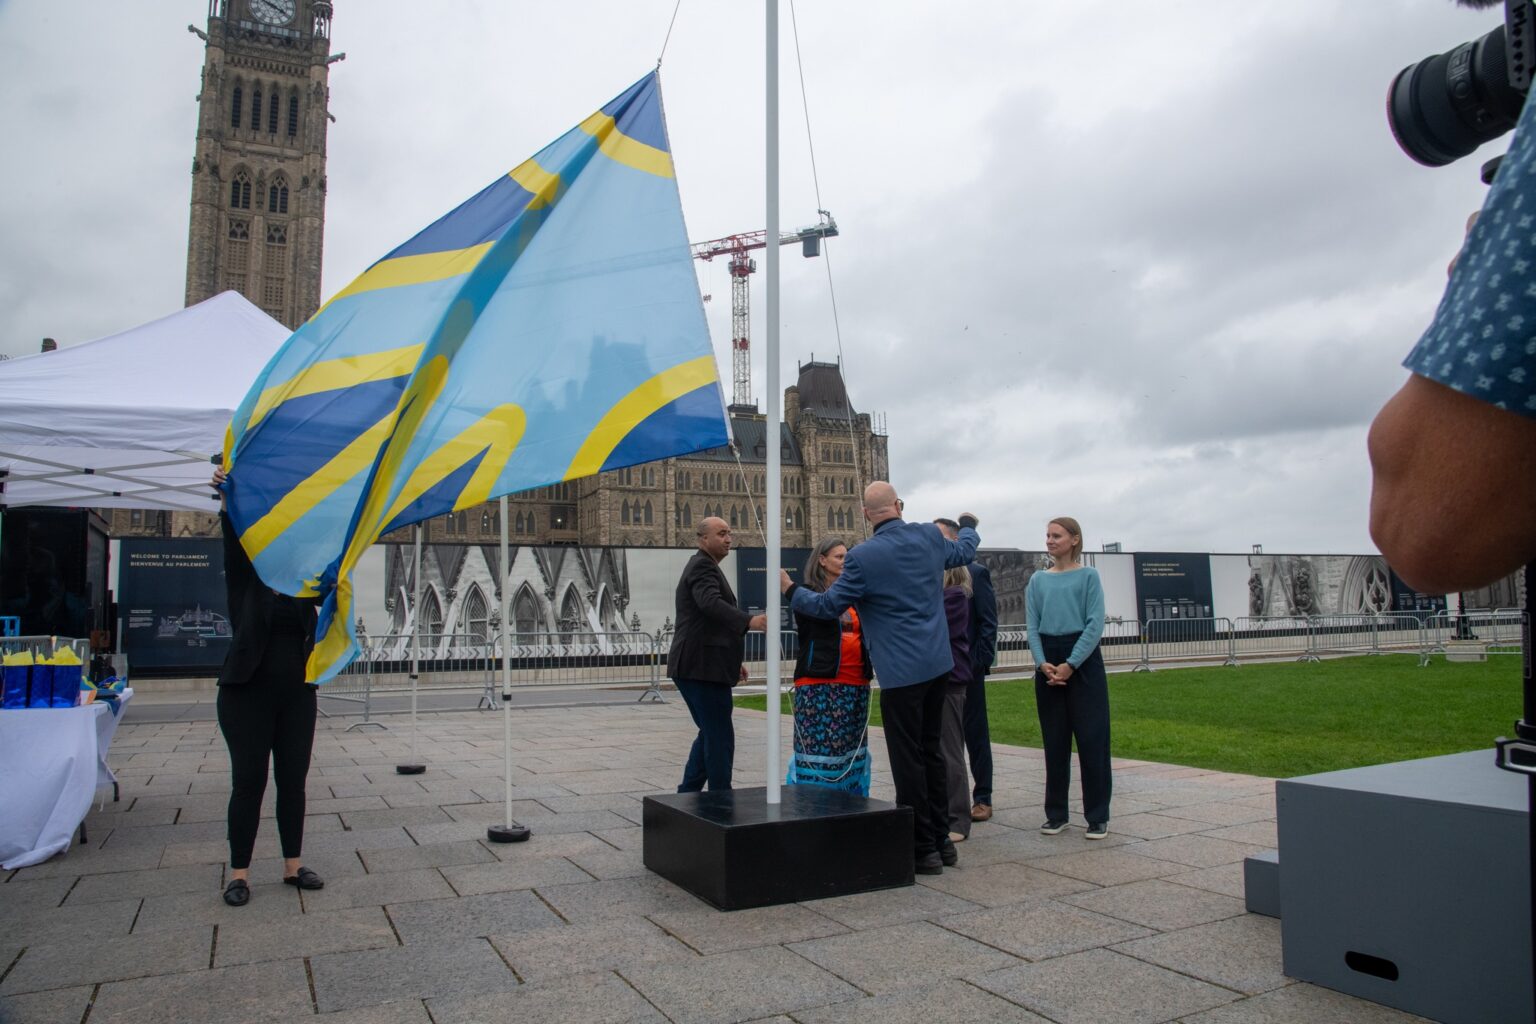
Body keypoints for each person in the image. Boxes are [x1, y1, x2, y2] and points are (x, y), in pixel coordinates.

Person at [780, 482, 978, 875]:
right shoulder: (928, 535)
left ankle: (923, 850)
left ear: (866, 514)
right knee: (932, 752)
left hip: (901, 674)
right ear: (899, 506)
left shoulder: (862, 557)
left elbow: (828, 606)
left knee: (909, 761)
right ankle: (941, 840)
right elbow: (966, 549)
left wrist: (791, 591)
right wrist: (970, 523)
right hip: (938, 666)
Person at [212, 464, 324, 907]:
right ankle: (239, 873)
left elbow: (335, 576)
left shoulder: (303, 588)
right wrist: (226, 498)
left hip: (297, 694)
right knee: (249, 782)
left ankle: (292, 866)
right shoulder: (247, 582)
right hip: (245, 692)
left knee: (293, 781)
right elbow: (231, 540)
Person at [666, 516, 768, 793]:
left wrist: (733, 662)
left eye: (729, 533)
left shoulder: (705, 565)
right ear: (703, 539)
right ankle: (721, 797)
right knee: (719, 735)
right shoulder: (701, 565)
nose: (728, 539)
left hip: (703, 665)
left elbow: (710, 621)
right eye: (721, 534)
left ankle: (688, 793)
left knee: (711, 732)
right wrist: (750, 621)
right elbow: (710, 603)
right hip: (699, 667)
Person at [1027, 516, 1111, 840]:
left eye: (1056, 535)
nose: (1049, 540)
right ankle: (1056, 813)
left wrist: (1071, 664)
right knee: (1055, 741)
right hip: (1048, 656)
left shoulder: (1089, 576)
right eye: (1047, 535)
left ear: (1074, 539)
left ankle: (1097, 815)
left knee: (1092, 740)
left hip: (1083, 661)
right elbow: (1032, 625)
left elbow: (1094, 624)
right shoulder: (1037, 580)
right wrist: (1042, 662)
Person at [786, 537, 873, 795]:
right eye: (839, 557)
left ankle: (851, 802)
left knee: (849, 749)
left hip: (855, 683)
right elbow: (820, 611)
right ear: (822, 560)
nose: (845, 561)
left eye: (847, 556)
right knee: (822, 749)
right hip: (820, 685)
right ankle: (816, 803)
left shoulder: (854, 595)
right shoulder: (808, 593)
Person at [934, 518, 999, 823]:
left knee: (975, 732)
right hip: (937, 671)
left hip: (968, 668)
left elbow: (987, 622)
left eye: (940, 536)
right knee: (945, 738)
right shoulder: (928, 573)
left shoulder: (975, 573)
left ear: (956, 540)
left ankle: (982, 796)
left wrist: (979, 661)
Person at [939, 564, 973, 841]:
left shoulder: (954, 597)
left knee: (950, 751)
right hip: (934, 680)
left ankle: (958, 820)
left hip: (949, 680)